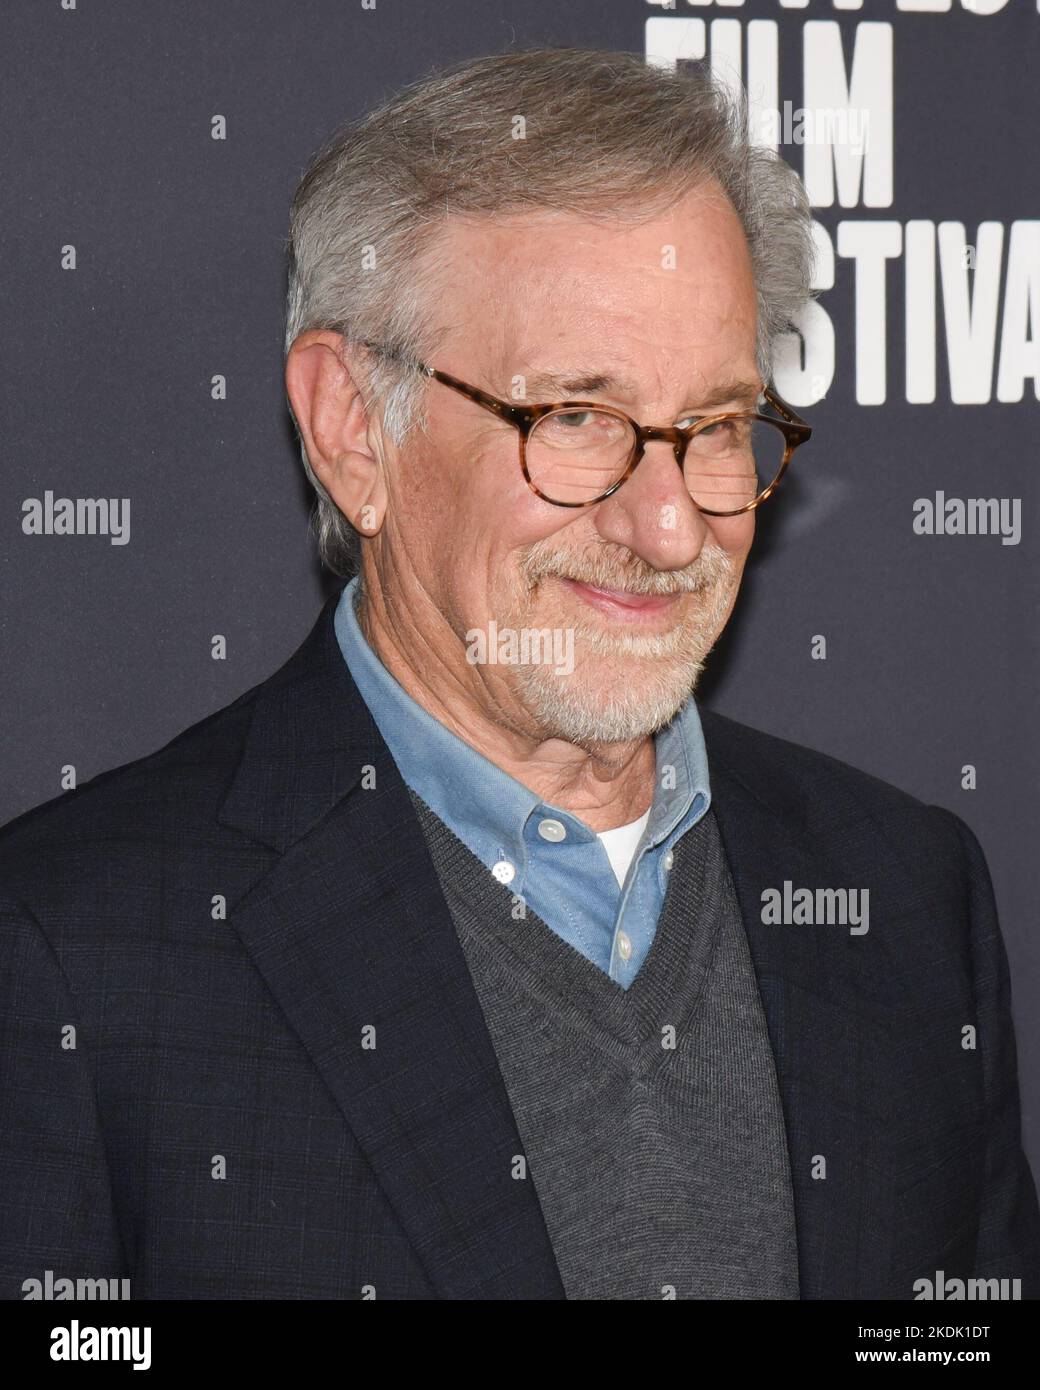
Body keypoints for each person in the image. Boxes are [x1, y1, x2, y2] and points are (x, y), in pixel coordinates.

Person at [1, 47, 1037, 1301]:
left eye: (712, 426)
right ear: (350, 430)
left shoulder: (903, 895)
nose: (667, 528)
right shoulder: (73, 950)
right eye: (575, 420)